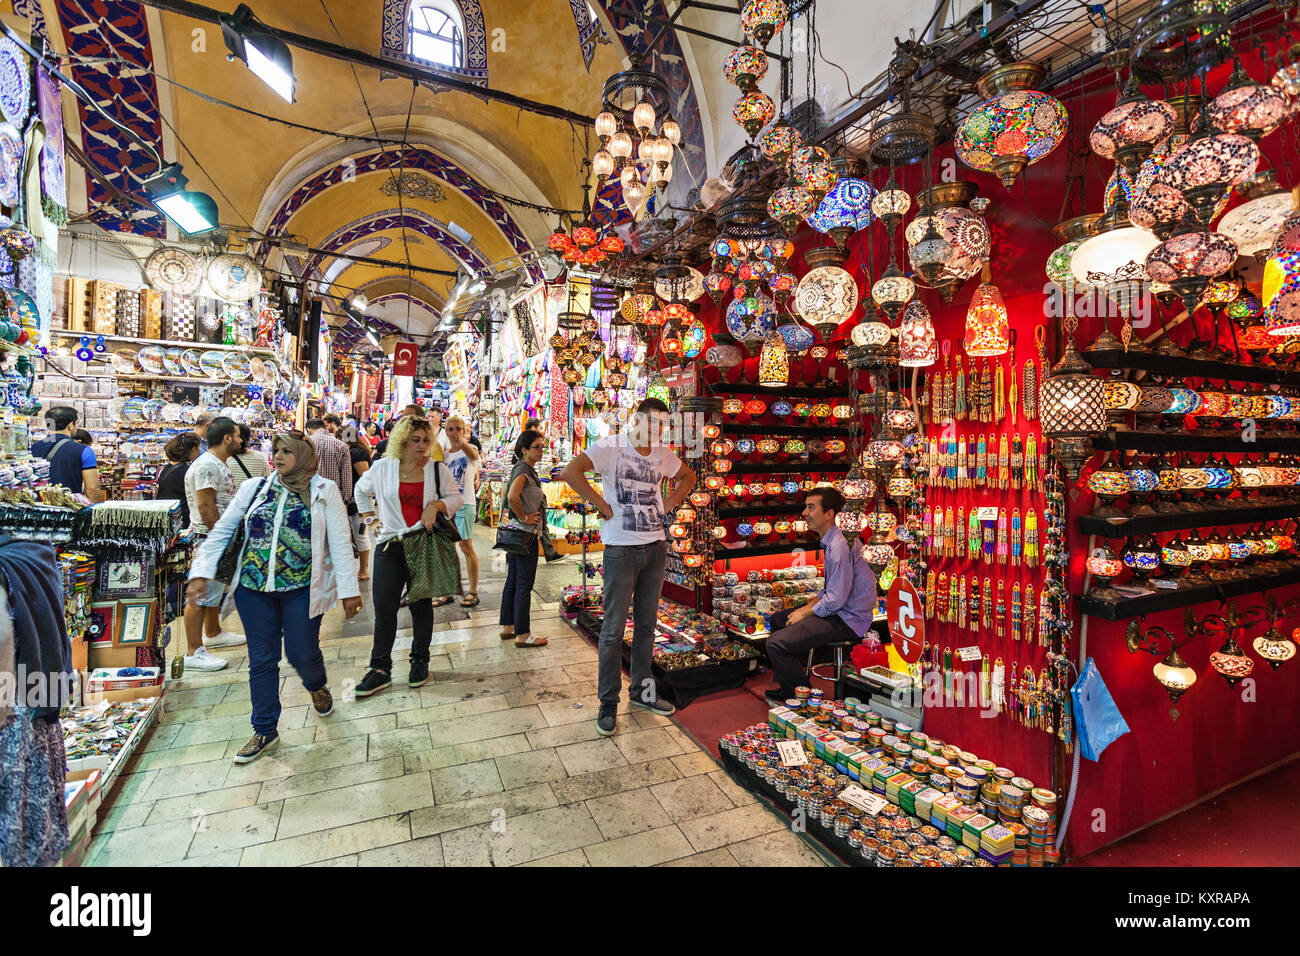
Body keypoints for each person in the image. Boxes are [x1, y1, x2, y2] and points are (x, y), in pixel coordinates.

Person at [187, 432, 362, 764]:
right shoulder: (256, 488)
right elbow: (224, 529)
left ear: (304, 456)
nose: (278, 456)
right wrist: (201, 571)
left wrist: (349, 591)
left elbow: (340, 541)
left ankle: (316, 684)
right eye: (276, 450)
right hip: (254, 589)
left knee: (302, 652)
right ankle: (264, 728)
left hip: (302, 590)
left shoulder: (324, 491)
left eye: (286, 451)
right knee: (262, 660)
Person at [561, 398, 696, 735]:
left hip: (655, 547)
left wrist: (669, 504)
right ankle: (608, 702)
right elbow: (571, 472)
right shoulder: (612, 446)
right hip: (621, 549)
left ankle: (642, 692)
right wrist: (601, 505)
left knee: (647, 626)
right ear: (636, 419)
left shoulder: (662, 453)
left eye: (663, 424)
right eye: (652, 422)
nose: (657, 429)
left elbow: (688, 477)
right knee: (612, 631)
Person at [353, 416, 463, 696]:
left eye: (426, 440)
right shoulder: (383, 468)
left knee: (420, 605)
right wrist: (370, 520)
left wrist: (435, 505)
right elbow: (361, 491)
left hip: (423, 543)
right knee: (384, 607)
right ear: (402, 441)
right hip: (390, 545)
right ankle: (380, 669)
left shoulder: (436, 469)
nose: (422, 445)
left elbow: (456, 499)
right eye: (416, 440)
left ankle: (419, 660)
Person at [762, 487, 879, 703]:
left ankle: (802, 698)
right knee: (779, 620)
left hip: (848, 619)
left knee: (776, 643)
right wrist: (807, 609)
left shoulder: (840, 544)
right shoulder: (832, 540)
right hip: (839, 610)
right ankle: (790, 687)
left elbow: (836, 599)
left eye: (811, 507)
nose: (804, 513)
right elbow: (829, 590)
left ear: (829, 514)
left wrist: (805, 614)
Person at [182, 416, 245, 671]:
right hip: (209, 537)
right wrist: (219, 537)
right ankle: (193, 651)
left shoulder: (216, 463)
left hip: (214, 535)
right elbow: (205, 504)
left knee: (212, 589)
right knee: (199, 594)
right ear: (227, 438)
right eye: (238, 435)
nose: (241, 440)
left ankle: (213, 632)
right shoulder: (208, 465)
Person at [500, 430, 547, 647]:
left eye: (542, 446)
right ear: (524, 449)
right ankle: (523, 633)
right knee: (523, 584)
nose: (541, 451)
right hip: (524, 534)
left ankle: (508, 626)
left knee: (513, 580)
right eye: (536, 447)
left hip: (517, 533)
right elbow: (512, 496)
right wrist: (524, 517)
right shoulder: (523, 470)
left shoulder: (525, 469)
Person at [443, 415, 481, 608]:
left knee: (466, 547)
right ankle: (449, 590)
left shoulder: (471, 448)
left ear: (465, 432)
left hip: (465, 504)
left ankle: (473, 591)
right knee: (448, 549)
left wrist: (461, 442)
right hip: (448, 506)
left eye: (458, 429)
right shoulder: (444, 454)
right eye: (450, 429)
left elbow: (474, 456)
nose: (454, 433)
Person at [32, 407, 103, 502]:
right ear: (71, 425)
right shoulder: (84, 451)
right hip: (69, 507)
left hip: (37, 507)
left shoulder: (33, 448)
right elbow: (92, 489)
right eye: (76, 423)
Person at [305, 417, 354, 508]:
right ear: (325, 427)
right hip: (334, 498)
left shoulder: (304, 445)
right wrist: (346, 500)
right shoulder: (342, 446)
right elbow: (346, 477)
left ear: (309, 430)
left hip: (310, 497)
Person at [345, 426, 374, 580]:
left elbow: (365, 478)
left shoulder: (357, 453)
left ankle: (363, 570)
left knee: (361, 535)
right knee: (358, 534)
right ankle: (361, 569)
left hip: (359, 501)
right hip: (355, 500)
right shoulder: (355, 451)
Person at [157, 433, 201, 527]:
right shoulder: (188, 471)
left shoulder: (166, 469)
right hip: (181, 521)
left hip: (165, 518)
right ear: (193, 449)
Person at [228, 423, 272, 489]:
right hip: (252, 495)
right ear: (248, 439)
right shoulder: (261, 458)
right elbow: (267, 483)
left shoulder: (224, 459)